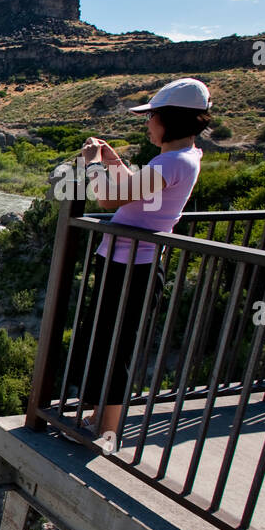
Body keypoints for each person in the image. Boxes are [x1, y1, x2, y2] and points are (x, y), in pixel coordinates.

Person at [67, 77, 211, 447]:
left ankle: (107, 429)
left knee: (116, 344)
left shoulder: (173, 162)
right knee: (102, 338)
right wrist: (113, 160)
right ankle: (98, 417)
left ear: (170, 120)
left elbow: (110, 201)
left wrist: (92, 165)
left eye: (152, 117)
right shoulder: (178, 159)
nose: (147, 123)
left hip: (134, 266)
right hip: (124, 261)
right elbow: (134, 191)